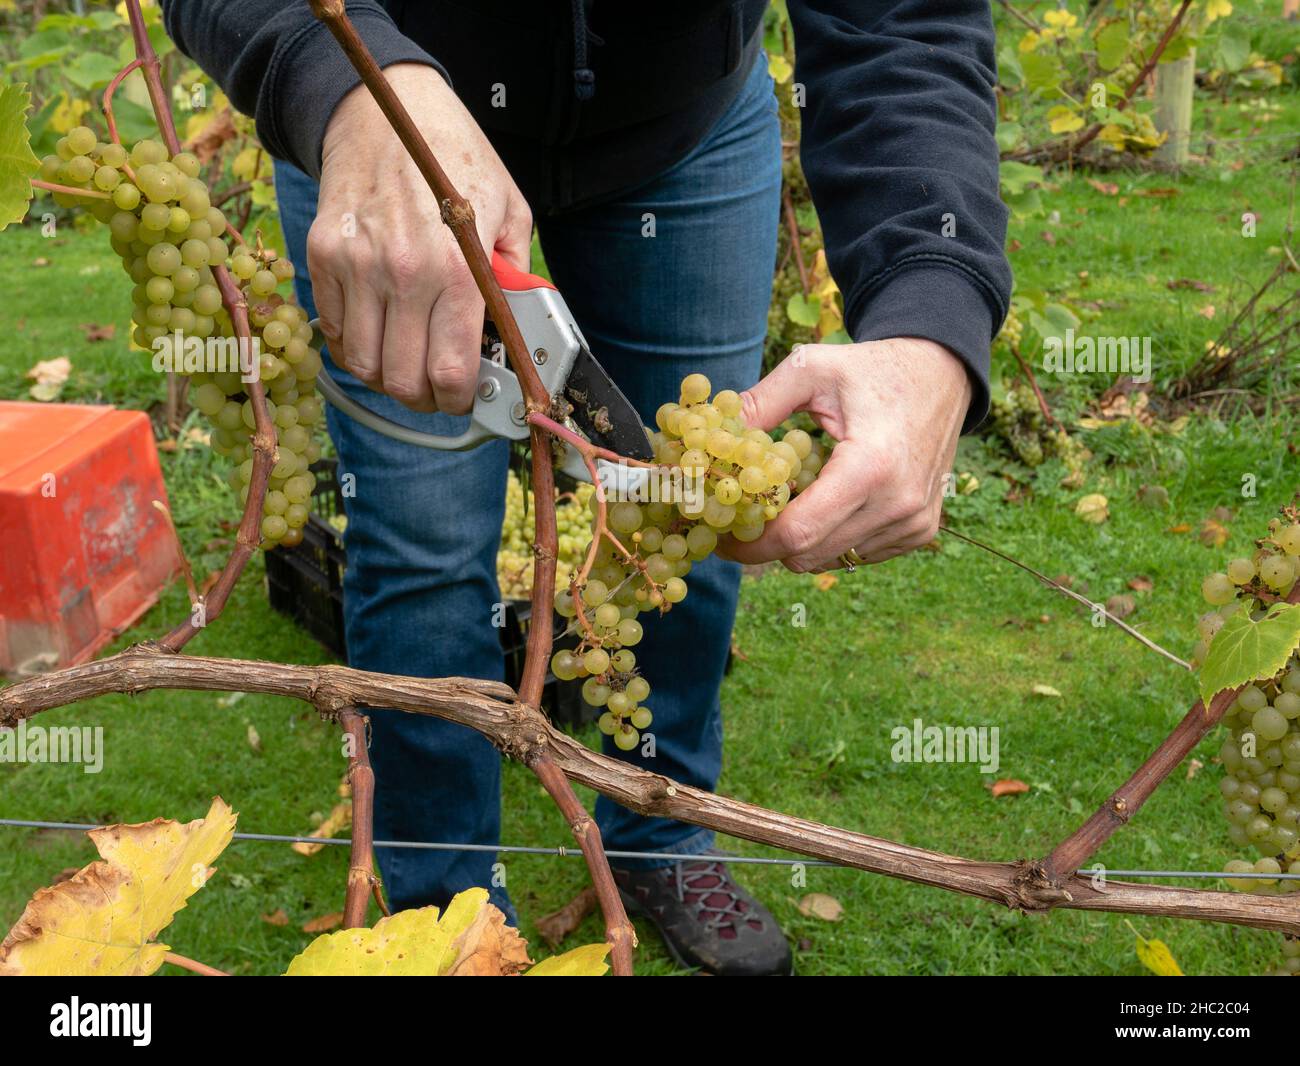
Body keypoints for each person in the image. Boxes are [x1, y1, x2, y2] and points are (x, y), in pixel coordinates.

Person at [161, 0, 1012, 976]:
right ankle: (446, 906)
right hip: (379, 161)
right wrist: (338, 73)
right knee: (418, 550)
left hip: (683, 140)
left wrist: (931, 303)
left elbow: (896, 19)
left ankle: (663, 834)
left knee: (683, 524)